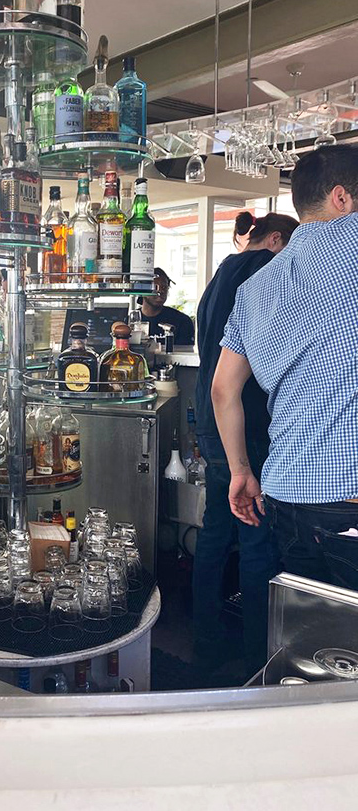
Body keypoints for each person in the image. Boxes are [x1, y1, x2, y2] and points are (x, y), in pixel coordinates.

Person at [212, 144, 358, 588]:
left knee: (311, 647)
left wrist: (240, 472)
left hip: (286, 497)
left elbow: (223, 390)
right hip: (349, 501)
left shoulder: (257, 286)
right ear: (341, 198)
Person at [193, 210, 299, 674]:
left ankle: (206, 642)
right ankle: (260, 658)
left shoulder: (219, 276)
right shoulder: (267, 275)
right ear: (275, 239)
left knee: (214, 535)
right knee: (258, 543)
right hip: (248, 427)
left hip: (213, 426)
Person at [138, 267, 195, 346]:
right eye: (155, 287)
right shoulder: (133, 320)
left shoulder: (182, 321)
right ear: (142, 290)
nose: (160, 291)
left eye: (164, 287)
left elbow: (185, 353)